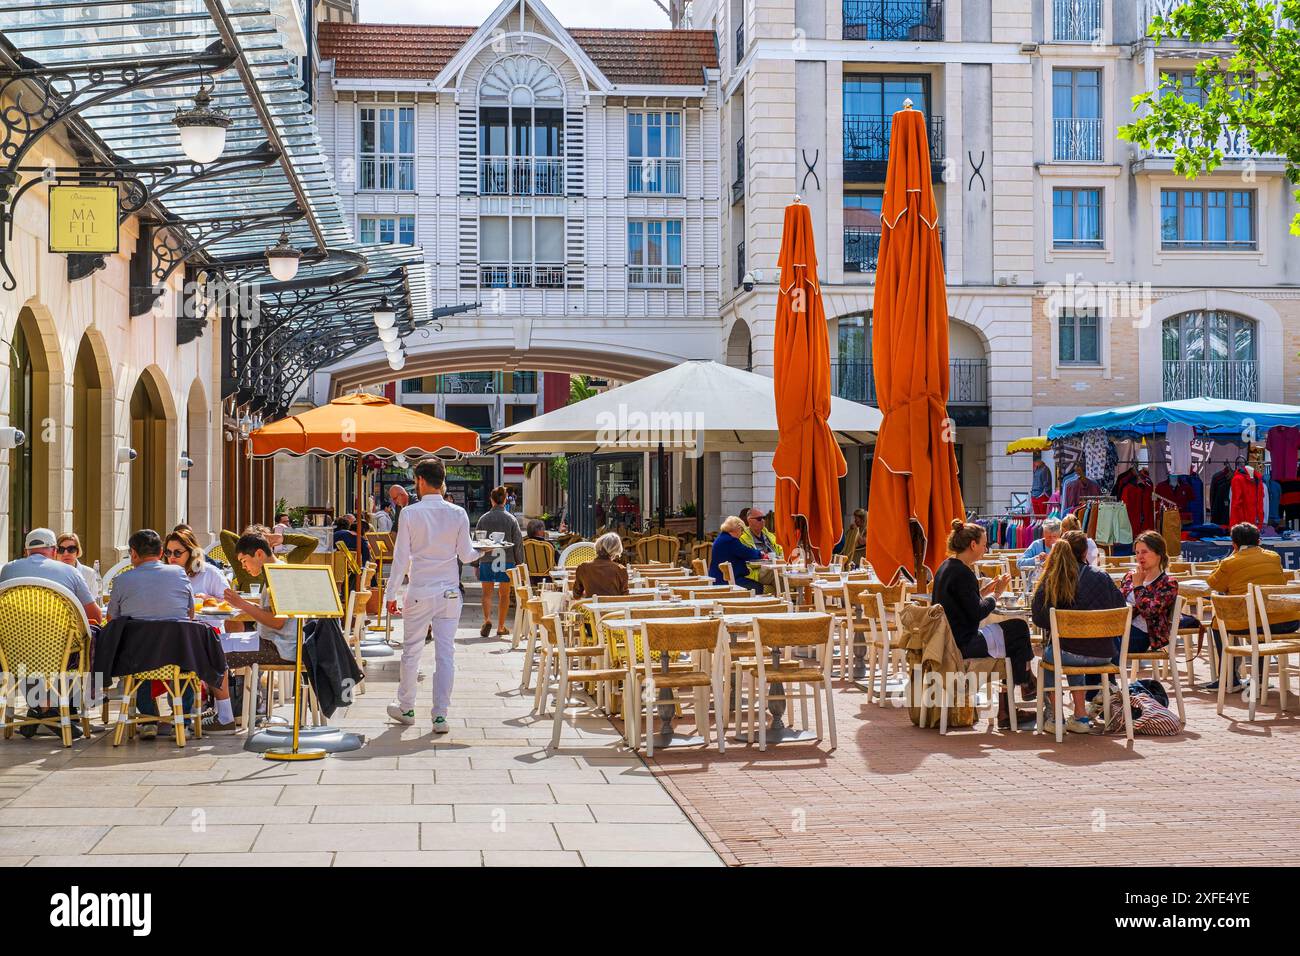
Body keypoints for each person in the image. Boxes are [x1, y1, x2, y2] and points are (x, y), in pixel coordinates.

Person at [383, 457, 478, 734]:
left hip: (420, 591)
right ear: (442, 479)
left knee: (411, 651)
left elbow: (400, 559)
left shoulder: (410, 514)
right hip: (449, 591)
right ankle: (440, 716)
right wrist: (484, 551)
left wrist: (390, 593)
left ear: (421, 481)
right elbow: (466, 555)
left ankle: (407, 707)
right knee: (445, 655)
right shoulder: (458, 513)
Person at [932, 519, 1037, 729]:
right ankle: (1025, 682)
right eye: (983, 544)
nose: (985, 548)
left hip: (951, 639)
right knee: (1019, 628)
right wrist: (996, 595)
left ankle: (1016, 697)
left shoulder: (947, 567)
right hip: (963, 644)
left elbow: (961, 604)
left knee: (1013, 639)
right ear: (973, 545)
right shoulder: (963, 573)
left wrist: (985, 592)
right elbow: (977, 612)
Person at [1, 528, 104, 739]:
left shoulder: (7, 570)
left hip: (15, 651)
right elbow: (95, 615)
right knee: (91, 638)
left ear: (26, 551)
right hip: (60, 650)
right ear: (54, 550)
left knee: (30, 651)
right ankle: (62, 712)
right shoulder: (70, 572)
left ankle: (39, 709)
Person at [1031, 531, 1126, 734]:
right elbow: (1121, 607)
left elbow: (1039, 618)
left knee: (1055, 655)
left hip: (1068, 654)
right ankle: (1081, 715)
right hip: (1103, 655)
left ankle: (1056, 717)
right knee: (1068, 648)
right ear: (1085, 552)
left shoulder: (1055, 579)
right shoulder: (1101, 576)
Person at [108, 530, 199, 740]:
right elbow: (190, 614)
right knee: (180, 651)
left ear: (133, 554)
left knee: (139, 649)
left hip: (138, 658)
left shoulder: (122, 581)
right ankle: (183, 720)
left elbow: (112, 620)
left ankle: (148, 719)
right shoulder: (179, 574)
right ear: (160, 552)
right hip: (176, 654)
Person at [1204, 522, 1297, 692]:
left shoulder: (1229, 562)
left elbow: (1213, 583)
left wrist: (1230, 557)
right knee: (1260, 622)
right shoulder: (1274, 557)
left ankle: (1229, 679)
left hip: (1252, 624)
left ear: (1234, 544)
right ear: (1259, 541)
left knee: (1219, 623)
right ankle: (1261, 678)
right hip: (1287, 621)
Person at [163, 529, 239, 735]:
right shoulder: (164, 576)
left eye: (177, 553)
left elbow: (229, 604)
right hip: (177, 633)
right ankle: (154, 717)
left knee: (202, 648)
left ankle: (221, 716)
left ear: (191, 552)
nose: (171, 558)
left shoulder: (209, 573)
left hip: (208, 631)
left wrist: (206, 599)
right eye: (168, 553)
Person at [1120, 530, 1178, 656]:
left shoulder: (1168, 583)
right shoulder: (1130, 576)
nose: (1140, 556)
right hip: (1120, 628)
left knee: (1102, 645)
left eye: (1145, 552)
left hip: (1144, 635)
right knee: (1094, 639)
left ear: (1159, 554)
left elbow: (1149, 612)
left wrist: (1139, 586)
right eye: (1137, 552)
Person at [475, 486, 523, 638]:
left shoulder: (483, 519)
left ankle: (487, 619)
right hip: (506, 559)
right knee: (504, 594)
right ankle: (501, 626)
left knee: (486, 593)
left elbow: (476, 541)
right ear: (505, 500)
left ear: (491, 500)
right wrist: (519, 563)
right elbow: (518, 543)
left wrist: (476, 564)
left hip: (487, 559)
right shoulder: (511, 519)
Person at [220, 523, 318, 591]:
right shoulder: (244, 564)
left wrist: (282, 538)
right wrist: (249, 542)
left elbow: (313, 542)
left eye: (263, 541)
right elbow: (224, 535)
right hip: (249, 615)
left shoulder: (285, 562)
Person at [709, 516, 765, 592]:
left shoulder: (722, 538)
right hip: (727, 581)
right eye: (742, 530)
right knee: (759, 587)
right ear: (737, 529)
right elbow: (746, 552)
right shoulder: (730, 541)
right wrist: (760, 553)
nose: (742, 534)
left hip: (718, 579)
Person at [571, 532, 630, 599]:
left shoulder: (583, 567)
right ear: (617, 550)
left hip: (590, 607)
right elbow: (625, 597)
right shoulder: (620, 569)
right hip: (615, 609)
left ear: (597, 546)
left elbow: (576, 595)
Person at [739, 506, 783, 592]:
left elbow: (780, 550)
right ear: (749, 520)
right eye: (759, 519)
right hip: (756, 571)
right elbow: (747, 562)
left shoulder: (770, 536)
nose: (763, 521)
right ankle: (786, 600)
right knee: (778, 574)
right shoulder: (743, 538)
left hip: (775, 565)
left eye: (764, 518)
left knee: (788, 572)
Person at [53, 531, 100, 596]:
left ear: (77, 552)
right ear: (55, 553)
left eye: (71, 549)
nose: (66, 553)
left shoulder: (90, 574)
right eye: (61, 549)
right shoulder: (49, 573)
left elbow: (94, 600)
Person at [1031, 452, 1053, 516]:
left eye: (1035, 461)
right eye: (1034, 461)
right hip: (1034, 494)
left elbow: (1047, 483)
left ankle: (1042, 526)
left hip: (1041, 495)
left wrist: (1044, 494)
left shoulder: (1045, 469)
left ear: (1040, 460)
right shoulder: (1037, 469)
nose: (1034, 463)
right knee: (1037, 516)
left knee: (1043, 515)